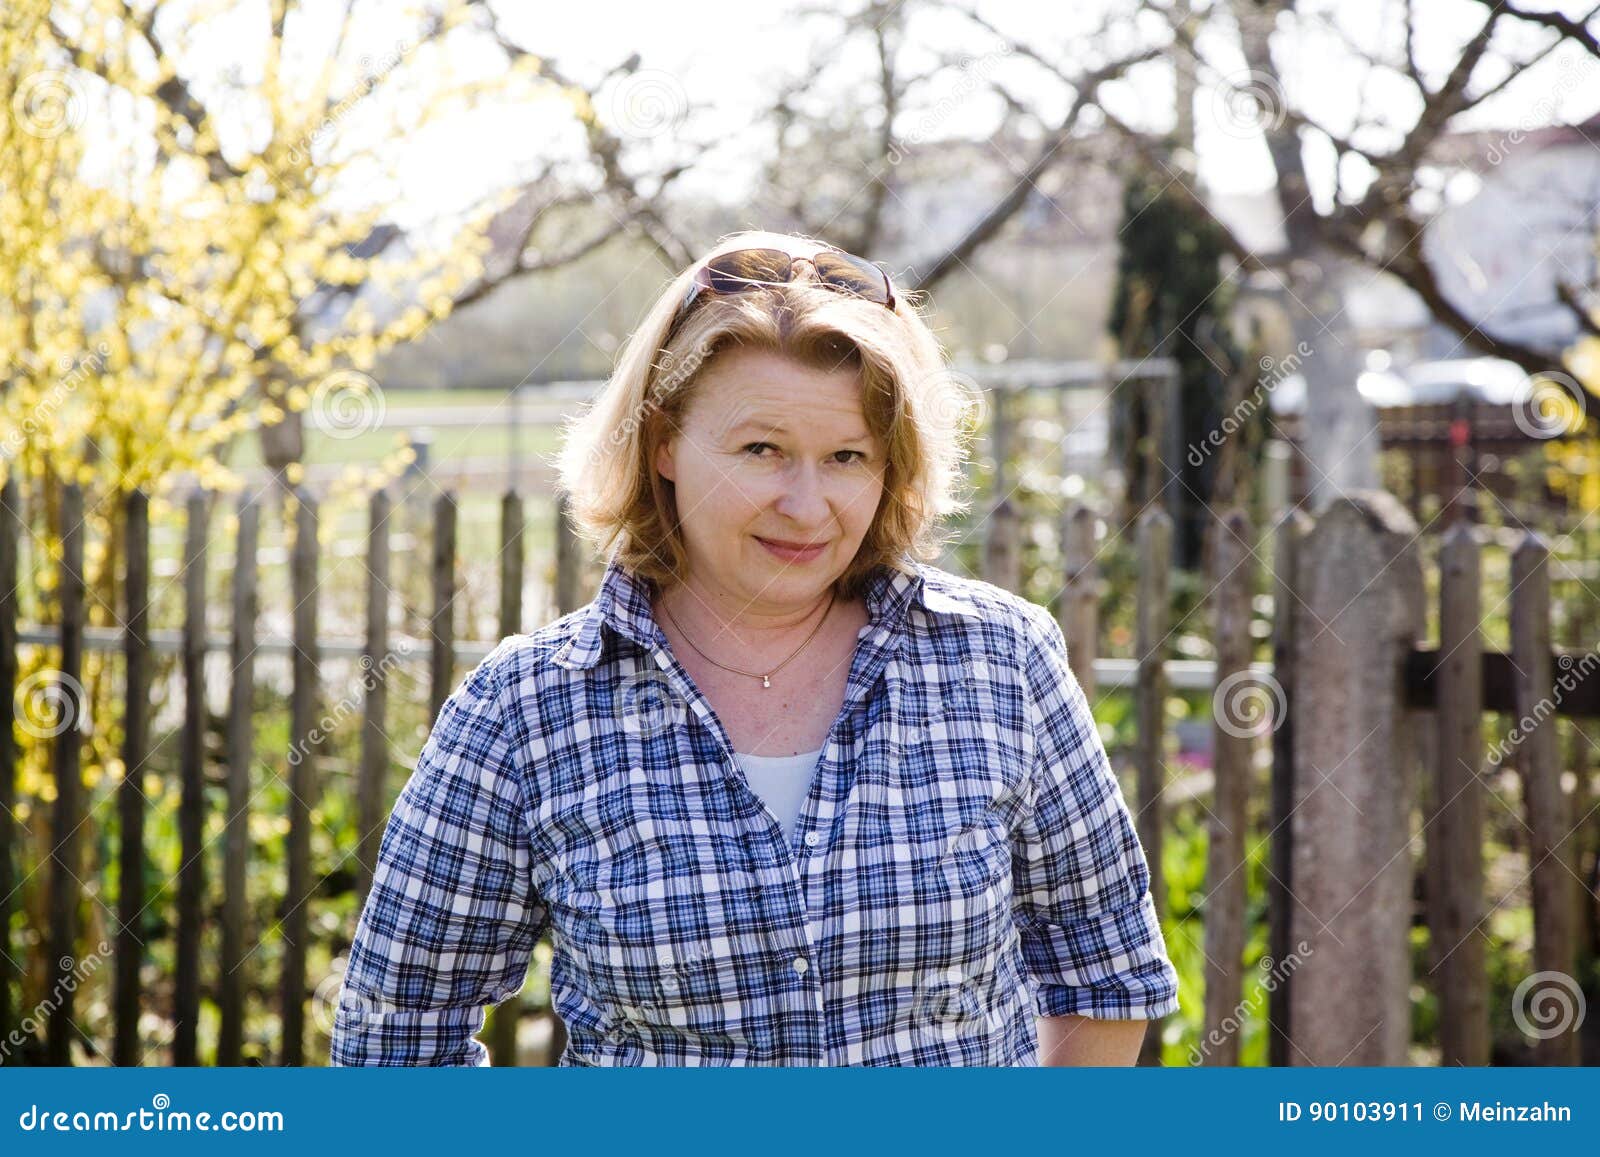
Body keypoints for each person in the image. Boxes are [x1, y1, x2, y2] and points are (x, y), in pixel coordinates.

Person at [330, 230, 1179, 1066]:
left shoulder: (1001, 660)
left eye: (847, 456)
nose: (806, 505)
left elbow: (1105, 971)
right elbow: (395, 1030)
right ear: (663, 441)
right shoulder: (524, 709)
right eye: (762, 450)